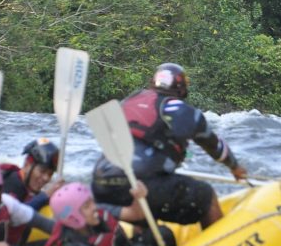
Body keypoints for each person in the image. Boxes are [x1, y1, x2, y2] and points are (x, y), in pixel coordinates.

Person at [91, 63, 247, 230]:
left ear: (153, 82)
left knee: (147, 213)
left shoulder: (129, 101)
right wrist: (234, 166)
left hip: (101, 184)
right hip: (140, 184)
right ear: (181, 88)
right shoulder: (180, 110)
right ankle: (220, 243)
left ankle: (143, 238)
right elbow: (214, 145)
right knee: (206, 195)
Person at [39, 183, 179, 246]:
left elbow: (135, 214)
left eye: (91, 202)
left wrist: (139, 197)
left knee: (162, 233)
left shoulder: (96, 213)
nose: (94, 207)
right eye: (87, 206)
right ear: (73, 217)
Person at [0, 138, 63, 209]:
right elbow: (13, 213)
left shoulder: (27, 188)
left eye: (50, 174)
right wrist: (45, 196)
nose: (46, 178)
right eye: (42, 171)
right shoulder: (11, 184)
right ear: (27, 165)